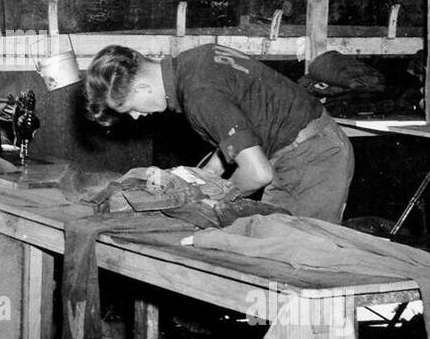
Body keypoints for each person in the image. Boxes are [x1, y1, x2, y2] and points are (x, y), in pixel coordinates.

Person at [83, 44, 355, 223]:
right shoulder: (193, 60)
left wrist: (214, 200)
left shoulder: (199, 96)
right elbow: (236, 128)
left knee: (292, 269)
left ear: (142, 88)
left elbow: (258, 173)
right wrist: (206, 174)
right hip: (303, 147)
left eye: (129, 107)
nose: (135, 116)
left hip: (312, 159)